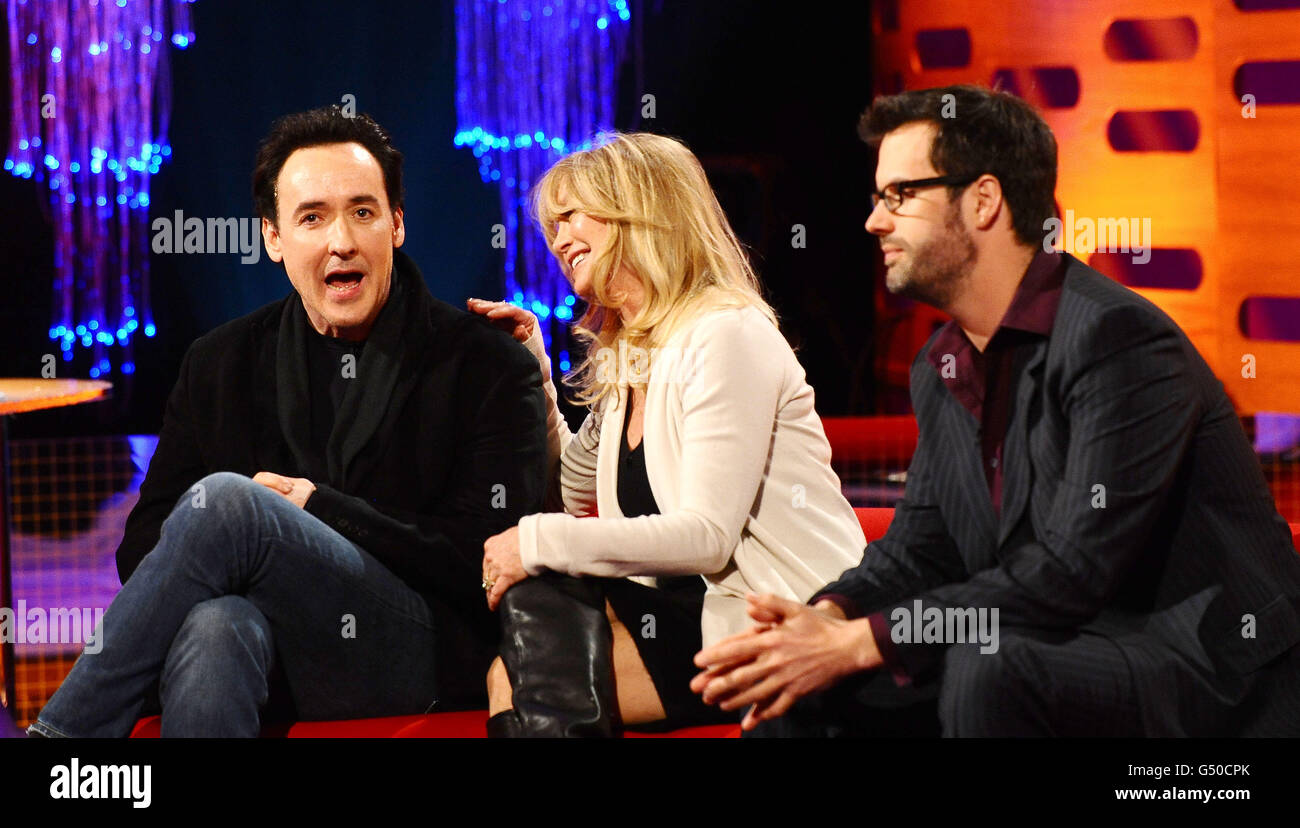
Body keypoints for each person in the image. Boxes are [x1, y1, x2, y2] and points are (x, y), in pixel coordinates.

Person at [692, 84, 1300, 737]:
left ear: (983, 201)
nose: (874, 221)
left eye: (901, 195)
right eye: (877, 198)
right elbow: (918, 551)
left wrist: (868, 641)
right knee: (806, 693)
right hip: (1049, 644)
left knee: (988, 666)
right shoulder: (940, 365)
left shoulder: (1117, 338)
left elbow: (1073, 570)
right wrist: (828, 620)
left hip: (1202, 672)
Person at [28, 106, 547, 737]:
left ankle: (61, 742)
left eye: (363, 212)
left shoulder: (486, 361)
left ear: (397, 224)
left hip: (419, 653)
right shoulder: (219, 361)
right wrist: (255, 570)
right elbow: (143, 547)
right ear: (274, 238)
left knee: (229, 502)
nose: (342, 241)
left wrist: (316, 511)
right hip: (263, 652)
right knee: (218, 625)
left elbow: (493, 558)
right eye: (312, 217)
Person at [468, 132, 866, 736]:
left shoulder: (725, 334)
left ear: (641, 211)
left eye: (574, 214)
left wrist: (536, 542)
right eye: (552, 225)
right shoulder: (633, 357)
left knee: (531, 637)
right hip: (692, 614)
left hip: (777, 618)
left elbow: (706, 536)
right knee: (516, 658)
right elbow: (568, 494)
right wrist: (534, 378)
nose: (557, 238)